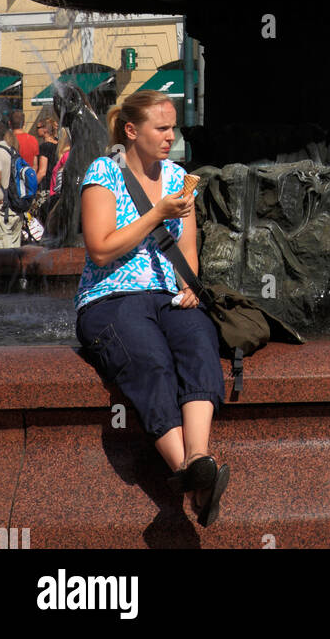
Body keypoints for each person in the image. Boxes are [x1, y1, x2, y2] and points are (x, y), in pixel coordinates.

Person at [75, 92, 228, 525]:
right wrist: (157, 211)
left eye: (172, 127)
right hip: (111, 297)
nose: (170, 137)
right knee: (150, 360)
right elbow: (101, 250)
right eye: (161, 128)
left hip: (167, 296)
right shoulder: (103, 171)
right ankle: (192, 476)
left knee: (199, 342)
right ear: (131, 131)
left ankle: (199, 456)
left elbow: (187, 250)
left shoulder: (180, 177)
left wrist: (191, 287)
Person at [0, 118, 22, 249]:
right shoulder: (12, 151)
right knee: (15, 256)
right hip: (16, 210)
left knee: (2, 258)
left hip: (1, 212)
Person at [36, 116, 59, 188]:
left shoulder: (44, 147)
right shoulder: (59, 144)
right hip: (57, 184)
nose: (36, 130)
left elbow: (42, 172)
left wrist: (31, 187)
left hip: (47, 185)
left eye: (38, 128)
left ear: (45, 129)